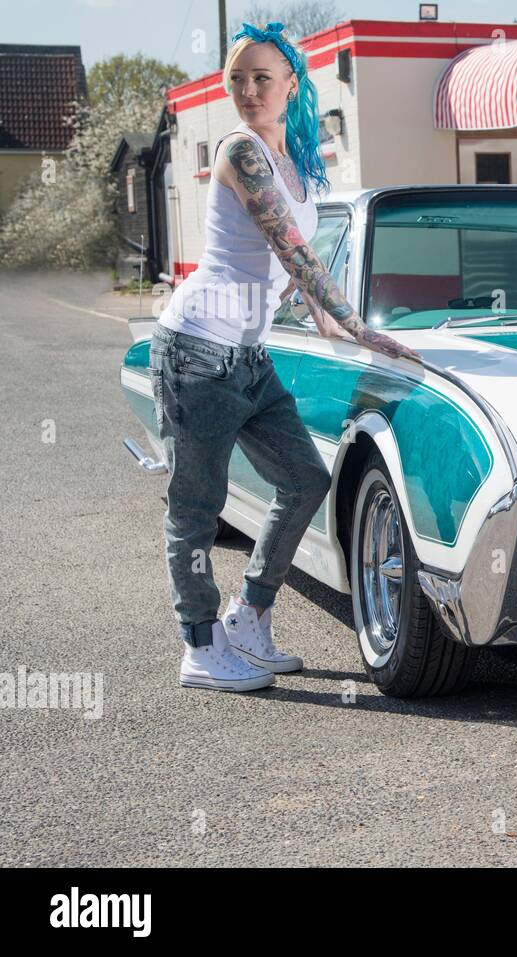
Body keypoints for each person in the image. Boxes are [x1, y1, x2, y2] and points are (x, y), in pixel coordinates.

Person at [150, 21, 421, 692]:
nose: (247, 90)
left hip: (247, 356)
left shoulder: (297, 162)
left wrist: (345, 328)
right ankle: (201, 644)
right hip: (195, 349)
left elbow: (301, 271)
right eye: (237, 78)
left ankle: (250, 617)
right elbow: (293, 252)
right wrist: (359, 326)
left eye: (261, 78)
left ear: (291, 84)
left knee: (306, 478)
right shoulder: (240, 150)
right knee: (196, 505)